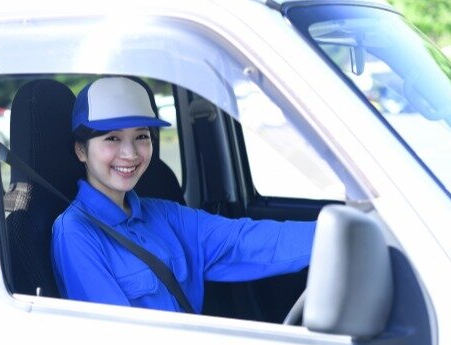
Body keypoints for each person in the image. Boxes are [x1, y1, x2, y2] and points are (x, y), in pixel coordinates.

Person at [51, 76, 316, 313]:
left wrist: (332, 237)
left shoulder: (164, 215)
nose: (130, 154)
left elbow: (244, 240)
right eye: (112, 138)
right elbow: (118, 336)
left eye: (142, 136)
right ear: (81, 150)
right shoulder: (75, 232)